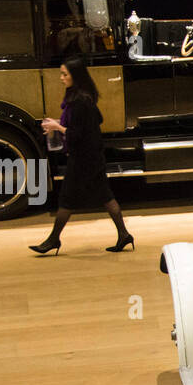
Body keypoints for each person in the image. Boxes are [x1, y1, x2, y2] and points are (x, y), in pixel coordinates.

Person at [29, 57, 134, 255]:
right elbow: (91, 122)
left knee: (67, 199)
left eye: (64, 74)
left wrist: (57, 126)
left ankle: (53, 240)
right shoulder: (82, 97)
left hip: (84, 159)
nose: (61, 78)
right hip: (91, 156)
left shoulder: (80, 101)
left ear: (75, 76)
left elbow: (77, 133)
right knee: (105, 196)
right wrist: (59, 122)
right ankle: (124, 235)